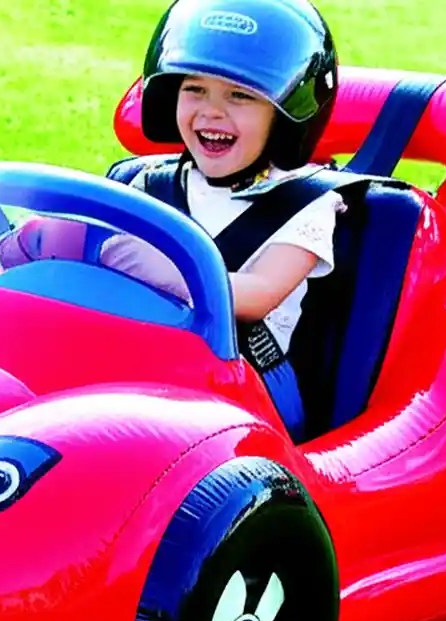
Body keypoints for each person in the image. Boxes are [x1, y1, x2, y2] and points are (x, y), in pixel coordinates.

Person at [112, 0, 345, 357]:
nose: (212, 110)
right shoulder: (149, 183)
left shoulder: (306, 205)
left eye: (240, 95)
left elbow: (260, 292)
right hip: (141, 352)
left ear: (283, 118)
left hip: (237, 384)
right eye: (194, 90)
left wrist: (157, 270)